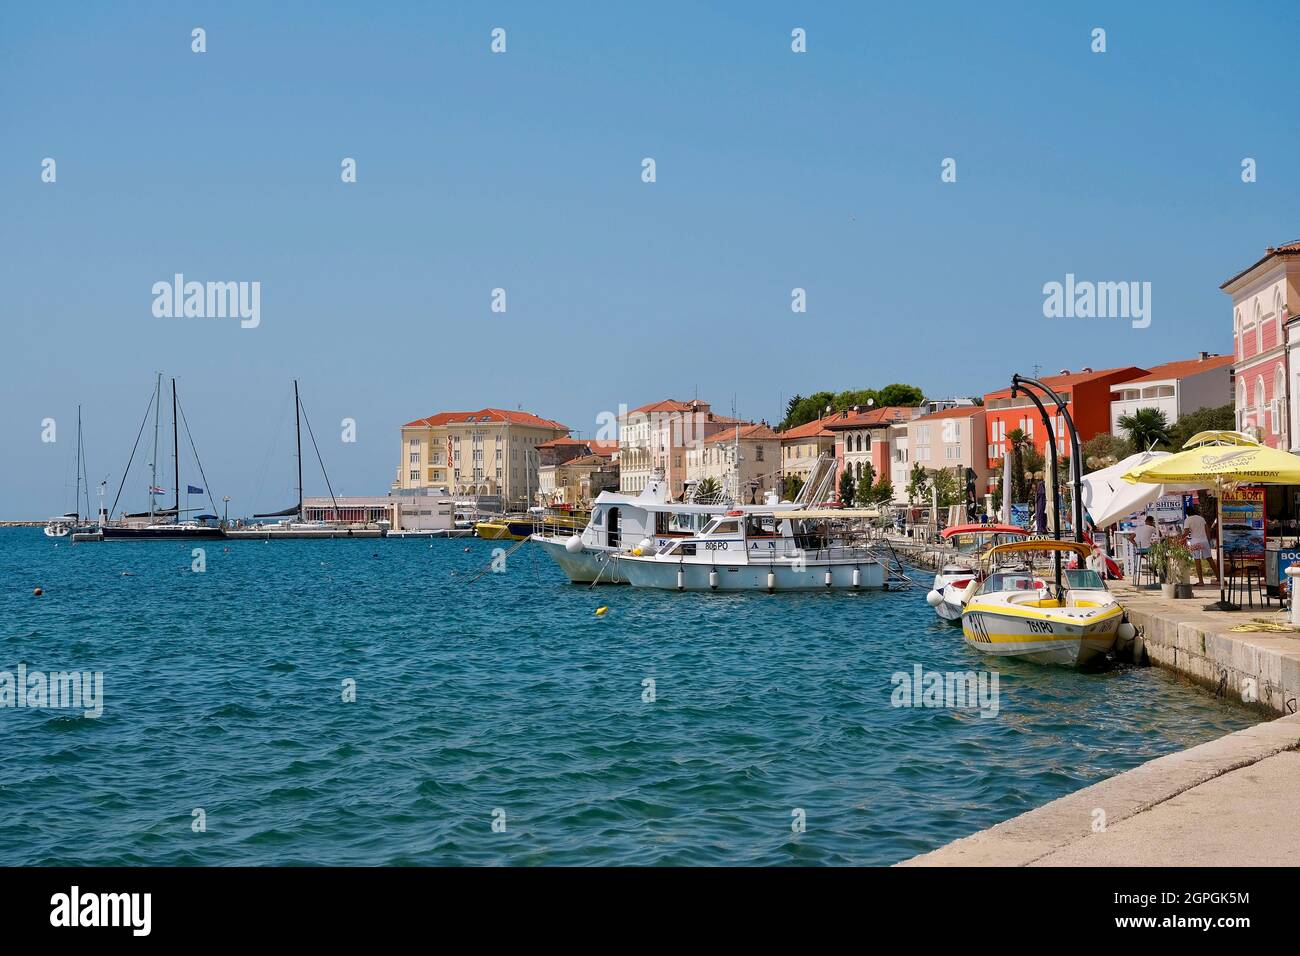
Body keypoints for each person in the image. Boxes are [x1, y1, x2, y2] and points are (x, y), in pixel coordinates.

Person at [1183, 504, 1218, 585]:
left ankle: (1201, 581)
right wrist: (1208, 541)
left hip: (1195, 542)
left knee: (1197, 561)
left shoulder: (1187, 520)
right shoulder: (1201, 518)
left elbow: (1186, 532)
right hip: (1204, 541)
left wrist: (1180, 538)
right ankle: (1219, 578)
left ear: (1187, 513)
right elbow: (1207, 531)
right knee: (1210, 559)